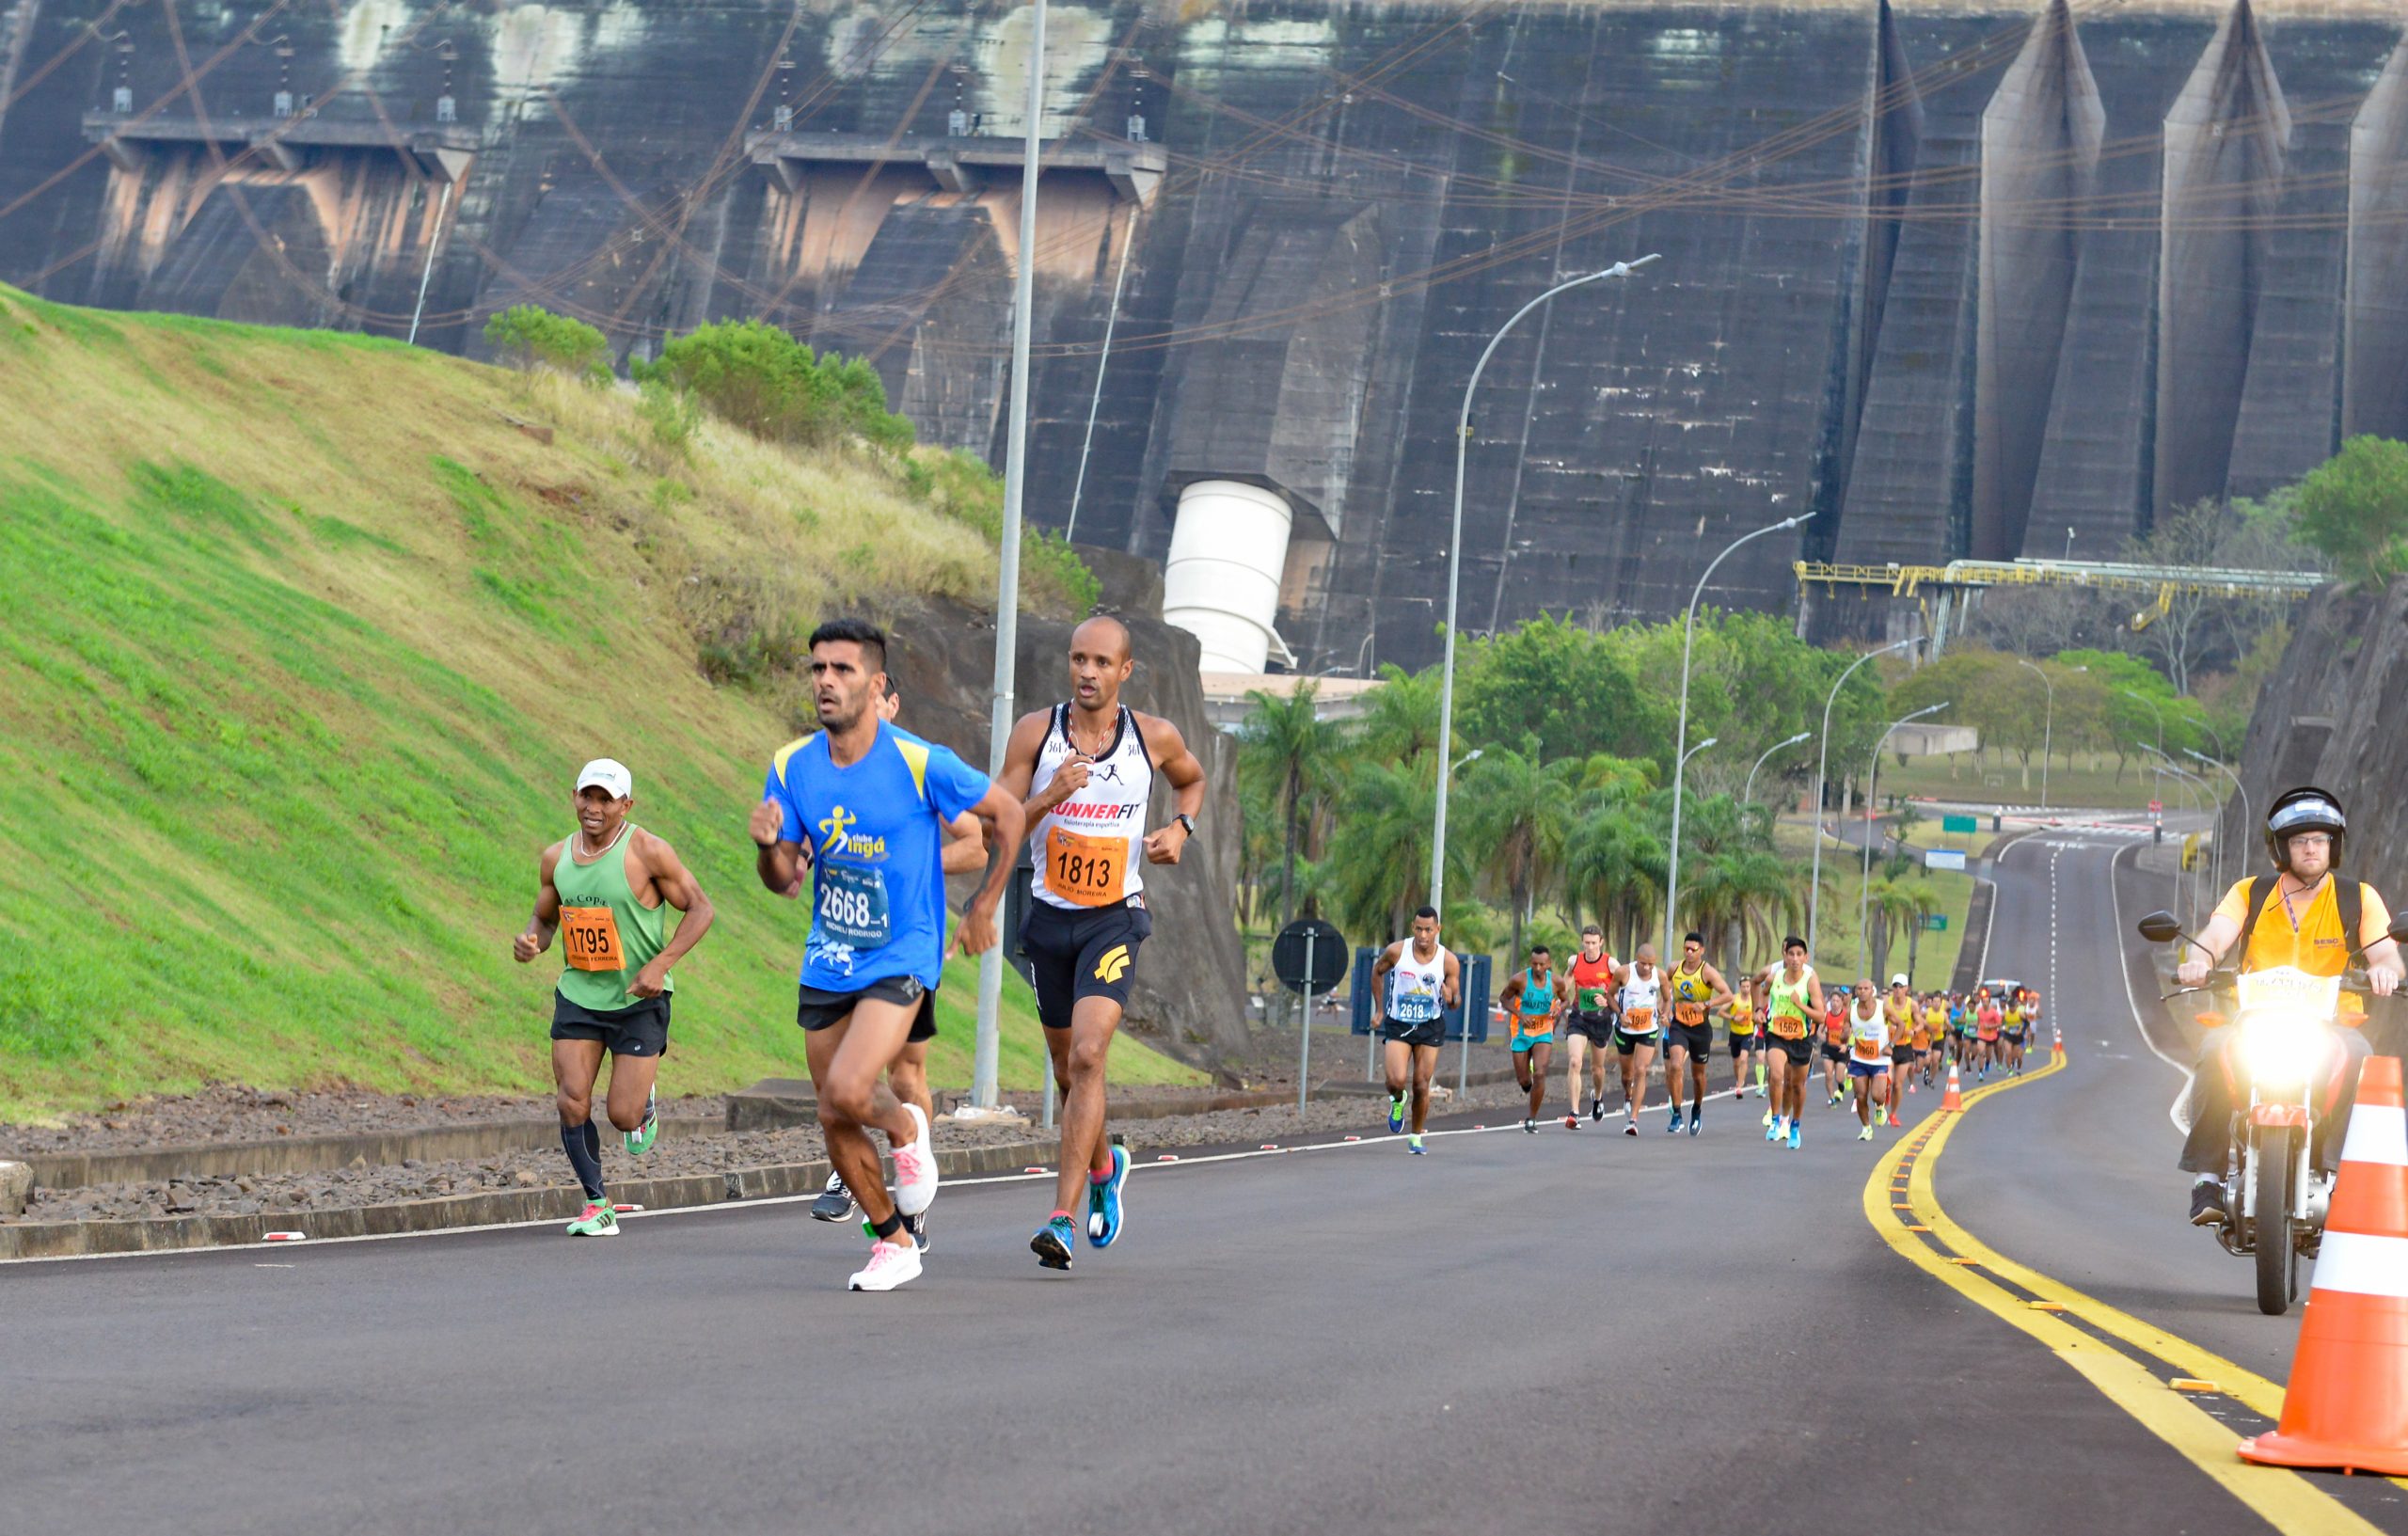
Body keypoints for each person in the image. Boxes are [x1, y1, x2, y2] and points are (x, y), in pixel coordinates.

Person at [752, 618, 1026, 1291]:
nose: (825, 681)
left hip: (902, 953)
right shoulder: (791, 766)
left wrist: (984, 906)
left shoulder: (920, 761)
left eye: (842, 670)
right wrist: (767, 847)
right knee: (831, 1112)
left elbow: (1009, 815)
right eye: (818, 669)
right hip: (829, 955)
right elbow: (783, 881)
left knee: (851, 1089)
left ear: (876, 686)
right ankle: (894, 1240)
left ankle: (906, 1128)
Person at [999, 615, 1208, 1271]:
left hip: (1114, 919)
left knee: (1090, 1054)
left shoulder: (1153, 737)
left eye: (1101, 662)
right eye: (1078, 659)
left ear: (1125, 670)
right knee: (1068, 1071)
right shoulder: (1036, 733)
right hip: (1048, 919)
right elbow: (997, 824)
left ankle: (1060, 1218)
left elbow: (1193, 780)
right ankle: (1104, 1166)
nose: (1087, 672)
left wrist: (1181, 829)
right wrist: (1050, 795)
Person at [808, 682, 989, 1246]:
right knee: (840, 1077)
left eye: (874, 702)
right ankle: (851, 1173)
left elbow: (978, 843)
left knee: (905, 1075)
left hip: (907, 944)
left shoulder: (917, 763)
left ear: (890, 704)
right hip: (843, 947)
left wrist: (910, 861)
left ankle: (913, 1204)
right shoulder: (822, 766)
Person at [2173, 787, 2403, 1226]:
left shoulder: (2358, 897)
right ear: (2281, 848)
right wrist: (2199, 961)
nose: (2311, 848)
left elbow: (2386, 954)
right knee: (2214, 1047)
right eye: (2299, 841)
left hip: (2331, 1023)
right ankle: (2207, 1177)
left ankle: (2336, 1176)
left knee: (2360, 1054)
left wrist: (2386, 972)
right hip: (2254, 1021)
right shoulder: (2251, 893)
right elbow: (2215, 936)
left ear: (2334, 845)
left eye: (2320, 839)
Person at [515, 758, 717, 1238]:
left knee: (622, 1115)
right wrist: (531, 942)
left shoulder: (648, 851)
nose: (594, 807)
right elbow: (545, 919)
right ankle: (596, 1203)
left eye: (606, 799)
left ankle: (642, 1101)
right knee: (571, 1100)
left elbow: (701, 908)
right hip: (580, 994)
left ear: (626, 805)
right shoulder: (555, 859)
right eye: (587, 796)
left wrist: (660, 964)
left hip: (638, 999)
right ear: (574, 796)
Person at [1371, 907, 1462, 1154]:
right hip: (1399, 1022)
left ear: (1438, 930)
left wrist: (1451, 997)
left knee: (1422, 1085)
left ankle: (1416, 1136)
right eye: (1419, 929)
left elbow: (1456, 1001)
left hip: (1430, 1026)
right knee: (1396, 1080)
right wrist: (1379, 1010)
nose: (1423, 935)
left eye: (1428, 930)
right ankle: (1397, 1100)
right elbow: (1377, 972)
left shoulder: (1448, 960)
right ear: (1413, 927)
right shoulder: (1397, 951)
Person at [1755, 938, 1824, 1150]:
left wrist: (1799, 1004)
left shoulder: (1810, 980)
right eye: (1791, 954)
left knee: (1796, 1086)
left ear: (1806, 958)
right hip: (1776, 1034)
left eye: (1799, 954)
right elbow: (1763, 993)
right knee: (1776, 1075)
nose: (1794, 958)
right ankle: (1775, 1120)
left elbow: (1821, 1016)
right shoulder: (1774, 977)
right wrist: (1758, 1010)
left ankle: (1794, 1125)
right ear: (1785, 956)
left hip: (1801, 1038)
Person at [1664, 932, 1734, 1135]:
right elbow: (1665, 989)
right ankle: (1677, 1114)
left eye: (1693, 949)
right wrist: (1665, 1010)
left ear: (1701, 950)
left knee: (1698, 1075)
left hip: (1700, 1029)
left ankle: (1696, 1109)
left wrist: (1706, 1004)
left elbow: (1728, 994)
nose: (1688, 953)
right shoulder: (1674, 968)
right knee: (1675, 1066)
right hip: (1679, 1025)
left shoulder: (1707, 972)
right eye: (1686, 948)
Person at [1498, 943, 1560, 1132]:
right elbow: (1503, 999)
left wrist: (1559, 1008)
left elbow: (1565, 999)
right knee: (1524, 1081)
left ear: (1549, 964)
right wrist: (1520, 1014)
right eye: (1535, 964)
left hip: (1543, 1031)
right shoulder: (1519, 980)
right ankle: (1528, 1082)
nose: (1538, 968)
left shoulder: (1556, 982)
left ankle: (1532, 1118)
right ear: (1530, 962)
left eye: (1542, 964)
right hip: (1521, 1032)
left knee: (1540, 1074)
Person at [1561, 925, 1619, 1127]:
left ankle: (1598, 1097)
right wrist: (1562, 994)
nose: (1590, 947)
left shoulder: (1611, 964)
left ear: (1601, 942)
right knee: (1575, 1062)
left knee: (1597, 1069)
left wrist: (1608, 999)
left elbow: (1623, 988)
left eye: (1594, 943)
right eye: (1587, 943)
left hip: (1601, 1020)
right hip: (1579, 1017)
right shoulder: (1575, 960)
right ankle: (1574, 1113)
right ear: (1582, 942)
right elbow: (1568, 976)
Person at [1613, 945, 1665, 1136]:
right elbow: (1609, 996)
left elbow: (1667, 999)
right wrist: (1620, 1014)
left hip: (1648, 1029)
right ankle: (1628, 1094)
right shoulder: (1623, 972)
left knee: (1641, 1070)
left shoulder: (1659, 976)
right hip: (1625, 1029)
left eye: (1651, 964)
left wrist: (1664, 1013)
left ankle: (1633, 1120)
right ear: (1637, 959)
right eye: (1643, 963)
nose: (1647, 968)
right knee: (1627, 1075)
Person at [1843, 978, 1893, 1141]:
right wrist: (1845, 1035)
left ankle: (1880, 1106)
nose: (1863, 991)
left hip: (1880, 1060)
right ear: (1856, 991)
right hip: (1859, 1059)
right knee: (1860, 1095)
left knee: (1877, 1095)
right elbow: (1844, 1032)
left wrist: (1890, 1045)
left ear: (1872, 991)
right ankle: (1866, 1128)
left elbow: (1900, 1025)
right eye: (1860, 988)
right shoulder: (1851, 1011)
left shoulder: (1883, 1007)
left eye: (1866, 988)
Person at [1821, 986, 1852, 1107]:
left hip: (1841, 1049)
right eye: (1833, 1000)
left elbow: (1851, 1032)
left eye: (1837, 1001)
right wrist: (1823, 1036)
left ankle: (1841, 1084)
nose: (1834, 1003)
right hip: (1829, 1048)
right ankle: (1831, 1098)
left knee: (1839, 1078)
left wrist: (1846, 1044)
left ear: (1841, 1002)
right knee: (1828, 1074)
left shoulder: (1846, 1016)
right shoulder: (1826, 1015)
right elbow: (1820, 1030)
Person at [1972, 989, 2002, 1080]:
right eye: (1983, 1001)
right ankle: (1980, 1073)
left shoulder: (1994, 1012)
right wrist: (1976, 1025)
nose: (1985, 1003)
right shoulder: (1979, 1011)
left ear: (1989, 1002)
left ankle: (1988, 1062)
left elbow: (1999, 1023)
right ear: (1981, 1002)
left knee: (1988, 1055)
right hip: (1981, 1035)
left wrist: (1990, 1026)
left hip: (1991, 1036)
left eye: (1986, 1001)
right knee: (1981, 1053)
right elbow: (1978, 1021)